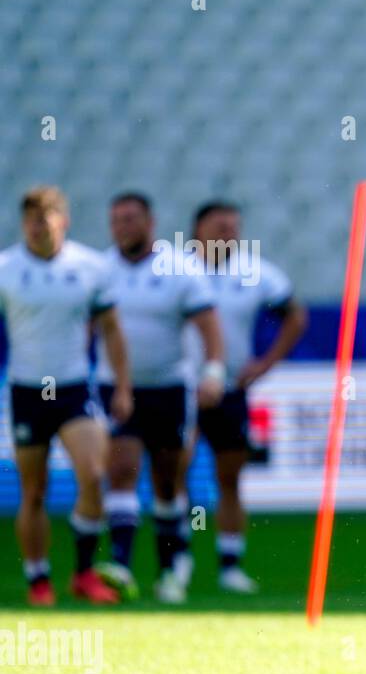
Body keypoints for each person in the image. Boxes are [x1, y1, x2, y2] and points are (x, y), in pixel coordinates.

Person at [0, 186, 132, 605]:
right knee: (33, 491)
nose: (39, 226)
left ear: (64, 220)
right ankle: (39, 578)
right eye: (32, 219)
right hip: (27, 390)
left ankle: (82, 572)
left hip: (75, 389)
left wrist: (123, 386)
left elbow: (111, 328)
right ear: (24, 224)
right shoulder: (5, 268)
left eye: (47, 217)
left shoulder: (90, 267)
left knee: (94, 475)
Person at [94, 193, 225, 604]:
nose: (121, 227)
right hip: (117, 387)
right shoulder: (100, 270)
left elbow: (209, 327)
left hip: (169, 387)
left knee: (168, 481)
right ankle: (120, 564)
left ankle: (170, 569)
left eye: (130, 219)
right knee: (122, 467)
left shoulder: (180, 268)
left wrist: (214, 372)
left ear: (150, 222)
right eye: (115, 220)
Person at [191, 201, 307, 593]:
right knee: (172, 476)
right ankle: (174, 564)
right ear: (197, 230)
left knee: (230, 478)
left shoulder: (256, 272)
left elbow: (295, 315)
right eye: (218, 225)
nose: (227, 232)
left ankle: (229, 566)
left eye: (233, 226)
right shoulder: (175, 268)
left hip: (230, 390)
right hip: (182, 388)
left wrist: (265, 363)